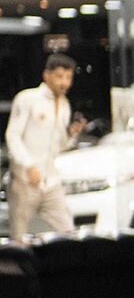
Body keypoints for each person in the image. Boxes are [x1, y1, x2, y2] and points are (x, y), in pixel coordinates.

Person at [4, 53, 84, 239]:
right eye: (59, 76)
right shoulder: (27, 99)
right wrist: (28, 165)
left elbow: (59, 145)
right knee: (19, 236)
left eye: (68, 77)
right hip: (24, 180)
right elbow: (13, 136)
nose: (64, 82)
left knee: (68, 231)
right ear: (46, 75)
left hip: (50, 181)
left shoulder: (64, 105)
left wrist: (71, 134)